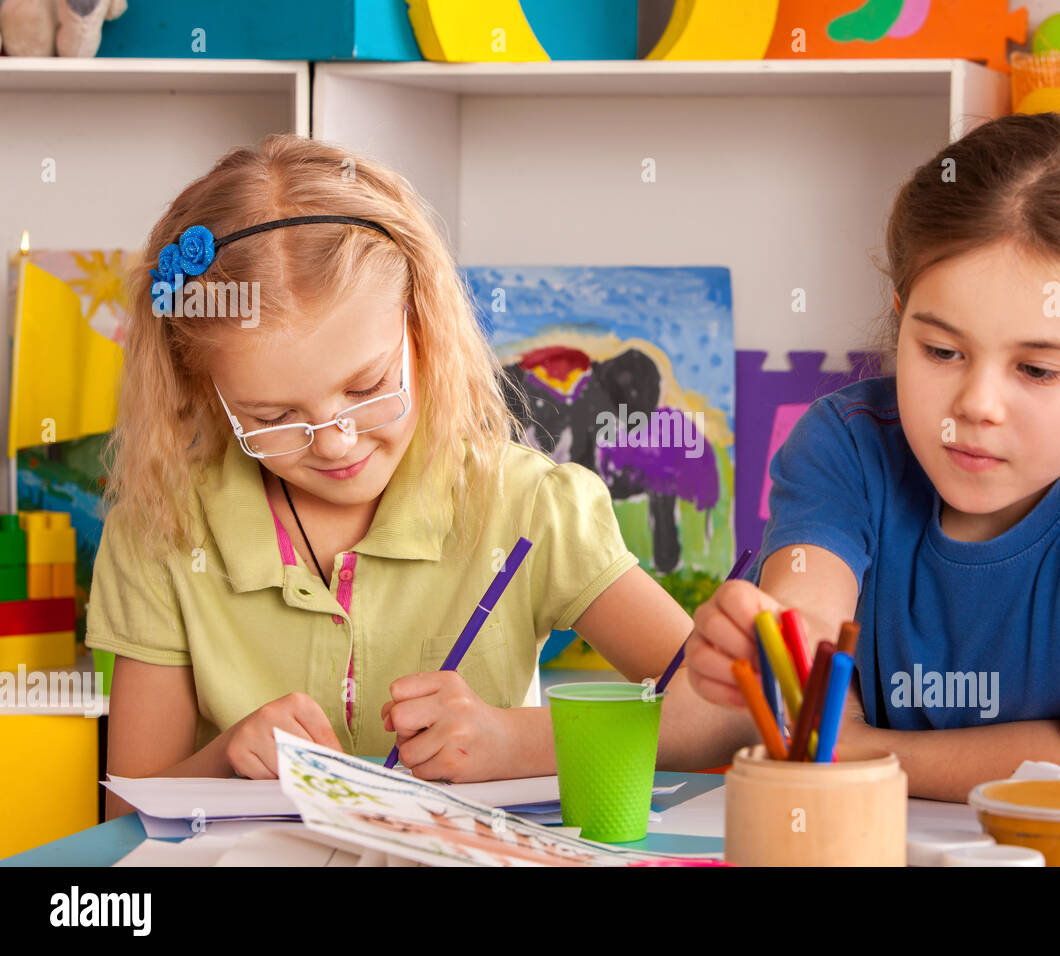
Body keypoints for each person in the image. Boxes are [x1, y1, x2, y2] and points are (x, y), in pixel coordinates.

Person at [87, 135, 753, 819]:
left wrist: (517, 740)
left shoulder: (526, 506)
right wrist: (226, 761)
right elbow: (127, 819)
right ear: (203, 388)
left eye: (369, 386)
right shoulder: (159, 530)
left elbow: (721, 713)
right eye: (274, 415)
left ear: (424, 326)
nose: (337, 441)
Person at [685, 113, 1060, 802]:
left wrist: (856, 749)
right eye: (942, 352)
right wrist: (769, 647)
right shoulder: (845, 445)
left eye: (1036, 369)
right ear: (901, 314)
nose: (977, 404)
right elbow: (811, 611)